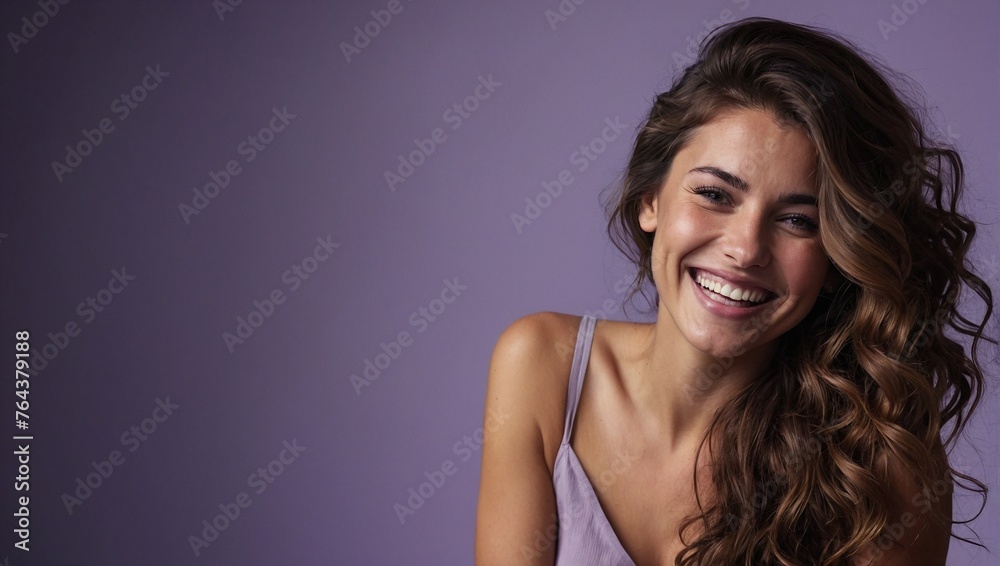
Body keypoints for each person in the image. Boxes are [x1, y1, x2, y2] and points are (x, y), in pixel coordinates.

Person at [473, 17, 995, 566]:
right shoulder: (542, 365)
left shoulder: (875, 467)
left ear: (840, 256)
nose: (746, 249)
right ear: (651, 199)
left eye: (798, 221)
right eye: (715, 194)